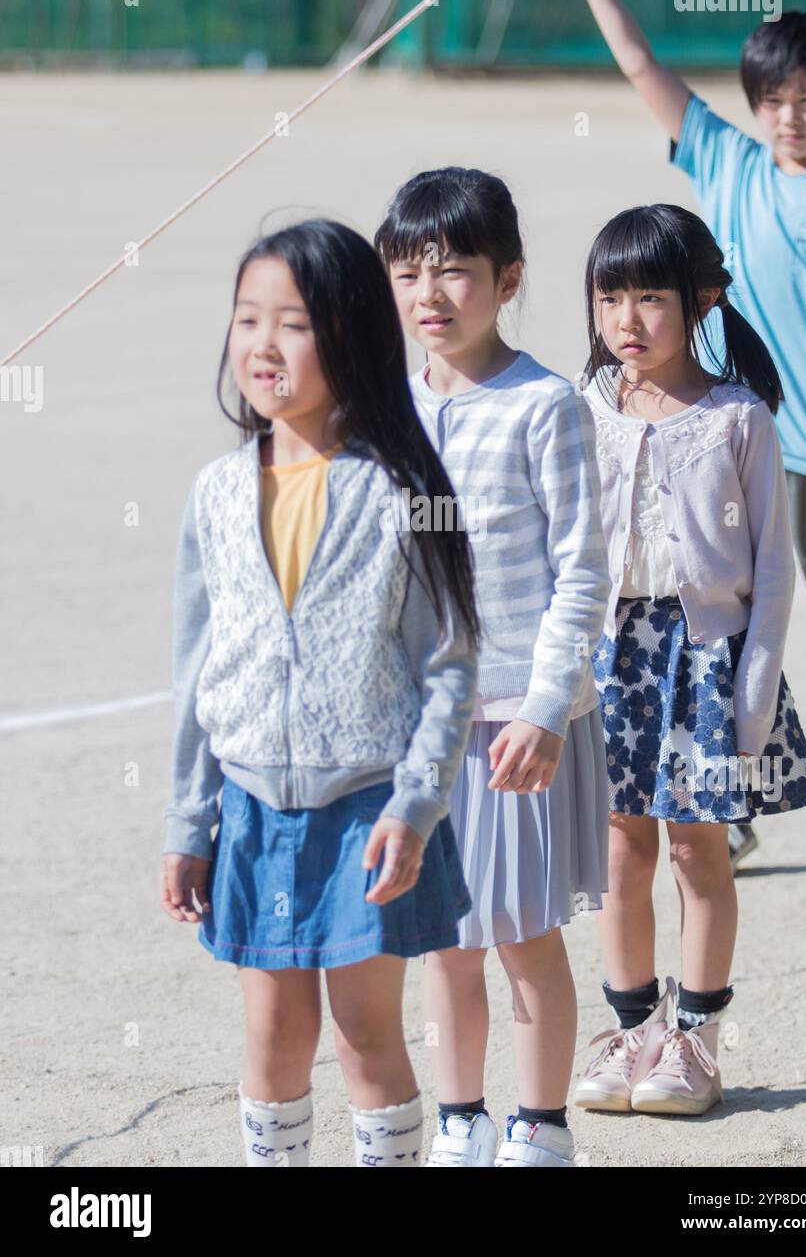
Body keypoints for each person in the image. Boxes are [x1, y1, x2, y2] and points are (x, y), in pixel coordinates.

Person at [525, 0, 806, 867]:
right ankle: (717, 792)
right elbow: (643, 71)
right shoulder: (725, 159)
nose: (788, 115)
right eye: (772, 98)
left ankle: (727, 779)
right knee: (694, 610)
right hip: (704, 439)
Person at [160, 218, 482, 1168]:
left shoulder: (401, 491)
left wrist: (417, 806)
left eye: (292, 323)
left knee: (364, 1033)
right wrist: (189, 822)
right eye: (247, 318)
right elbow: (195, 669)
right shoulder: (216, 492)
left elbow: (449, 664)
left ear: (352, 334)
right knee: (270, 1037)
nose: (262, 344)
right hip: (255, 807)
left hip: (369, 807)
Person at [375, 167, 611, 1166]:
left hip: (519, 719)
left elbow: (582, 572)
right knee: (442, 940)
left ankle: (541, 1125)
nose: (431, 293)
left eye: (456, 271)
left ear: (509, 278)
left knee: (521, 937)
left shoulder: (544, 405)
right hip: (422, 729)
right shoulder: (383, 410)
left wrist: (547, 708)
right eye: (408, 271)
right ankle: (460, 1118)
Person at [573, 202, 806, 1116]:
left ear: (704, 298)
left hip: (706, 665)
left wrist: (751, 701)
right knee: (619, 849)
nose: (627, 320)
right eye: (611, 297)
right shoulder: (585, 407)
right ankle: (633, 1028)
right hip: (610, 660)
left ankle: (696, 1043)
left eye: (650, 296)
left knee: (696, 853)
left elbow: (773, 573)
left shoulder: (738, 419)